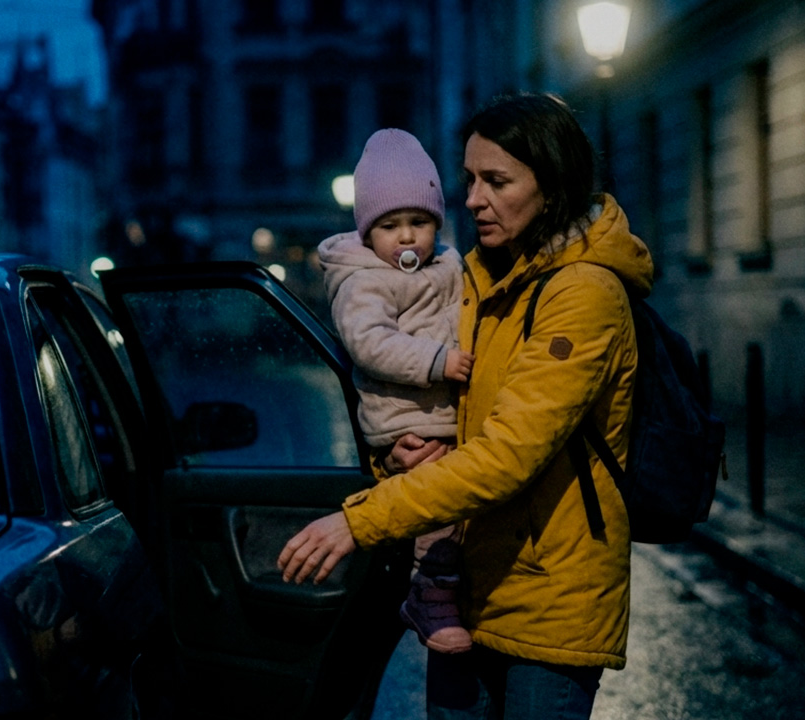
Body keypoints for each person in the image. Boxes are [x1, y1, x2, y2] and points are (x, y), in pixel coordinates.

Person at [278, 92, 655, 719]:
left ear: (552, 184)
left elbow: (509, 455)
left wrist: (361, 519)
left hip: (547, 605)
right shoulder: (472, 278)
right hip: (467, 587)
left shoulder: (583, 294)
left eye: (496, 180)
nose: (473, 198)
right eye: (470, 179)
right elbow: (420, 388)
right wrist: (400, 449)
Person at [318, 128, 474, 654]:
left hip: (447, 414)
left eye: (419, 222)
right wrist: (439, 361)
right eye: (390, 226)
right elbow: (370, 343)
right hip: (406, 418)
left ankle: (450, 583)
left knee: (469, 505)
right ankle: (428, 590)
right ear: (368, 233)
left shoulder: (449, 265)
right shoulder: (363, 280)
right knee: (437, 502)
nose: (407, 237)